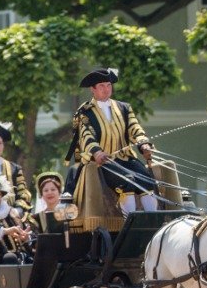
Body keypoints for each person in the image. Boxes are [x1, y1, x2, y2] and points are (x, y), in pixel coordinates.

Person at [65, 67, 157, 215]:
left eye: (108, 85)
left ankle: (153, 221)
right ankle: (130, 222)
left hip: (126, 158)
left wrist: (143, 144)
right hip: (103, 162)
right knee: (127, 181)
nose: (106, 89)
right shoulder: (85, 112)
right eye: (101, 86)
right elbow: (86, 136)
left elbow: (134, 128)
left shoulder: (124, 107)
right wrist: (97, 153)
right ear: (92, 89)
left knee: (147, 181)